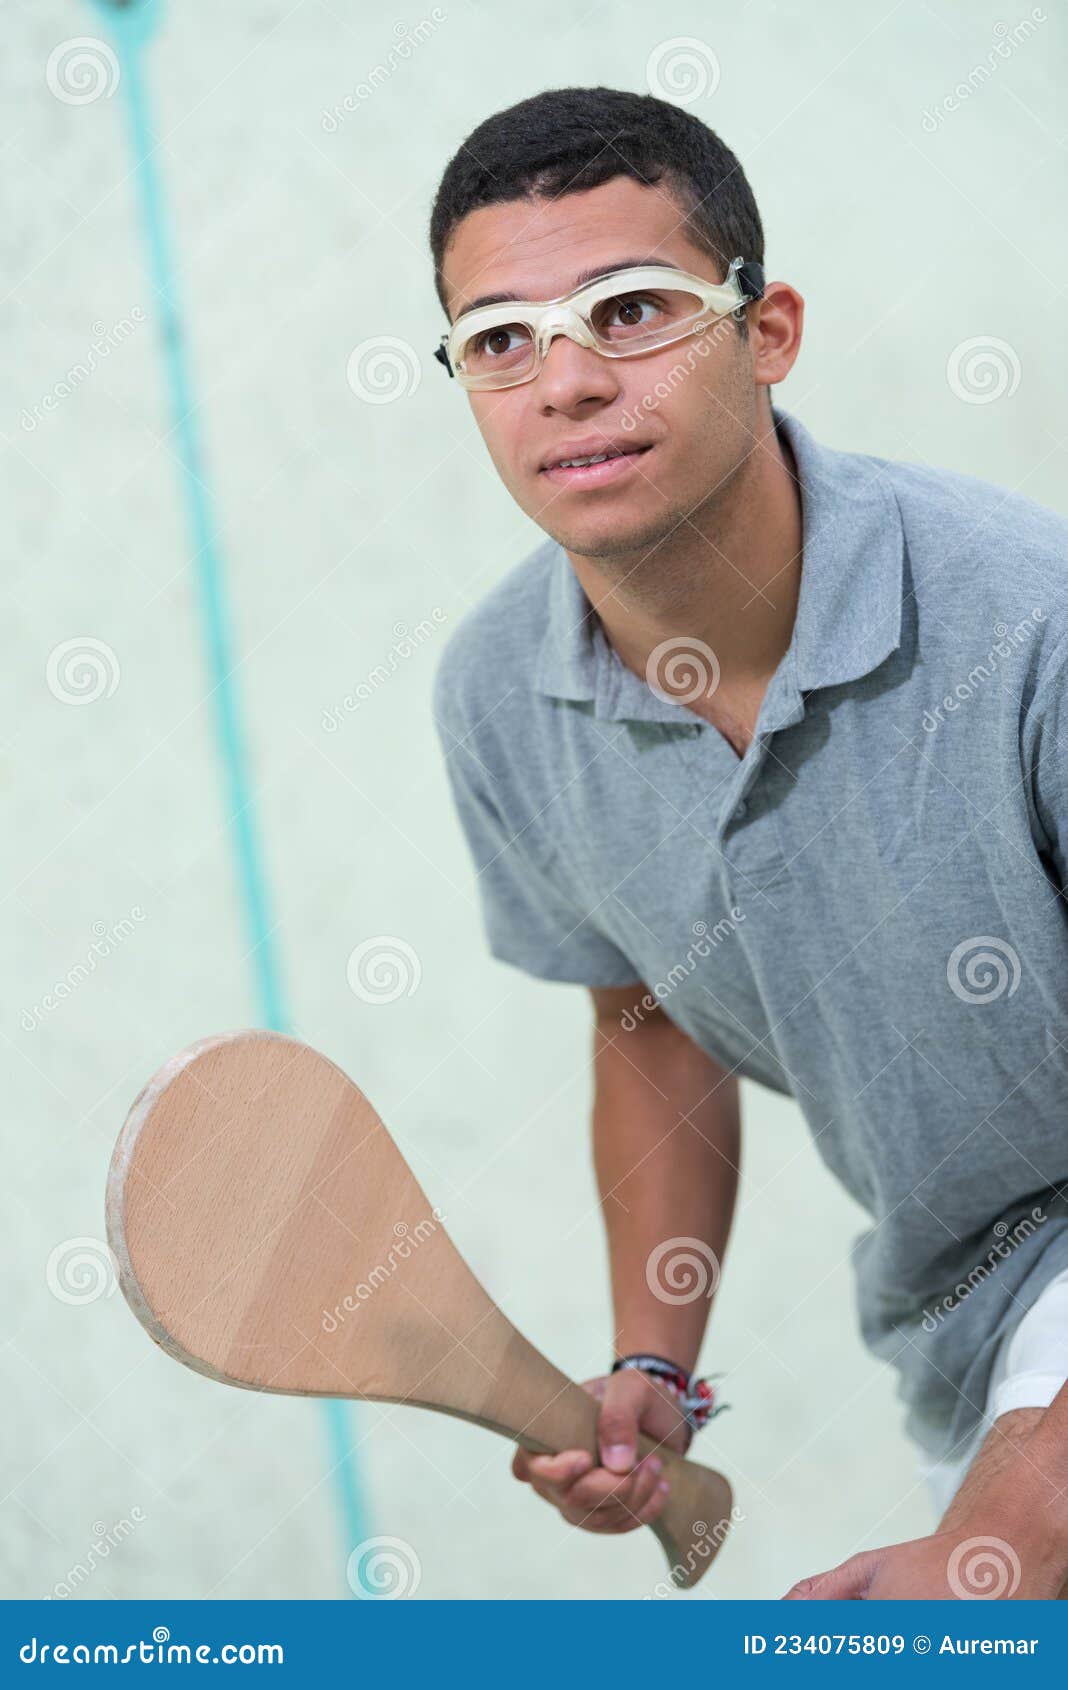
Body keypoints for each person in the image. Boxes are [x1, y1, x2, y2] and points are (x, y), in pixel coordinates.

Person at [427, 85, 1068, 1598]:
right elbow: (653, 1014)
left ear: (766, 332)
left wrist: (1028, 1513)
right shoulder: (497, 695)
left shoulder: (1034, 624)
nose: (566, 381)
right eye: (500, 338)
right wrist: (657, 1363)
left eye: (630, 309)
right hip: (962, 1339)